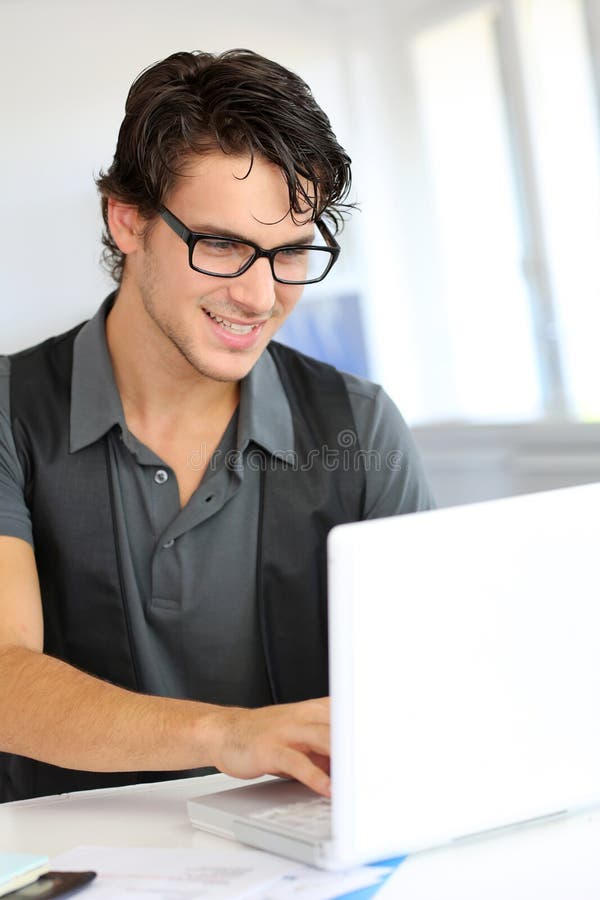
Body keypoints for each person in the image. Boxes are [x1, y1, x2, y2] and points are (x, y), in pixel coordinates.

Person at [0, 49, 433, 803]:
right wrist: (227, 735)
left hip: (298, 865)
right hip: (66, 863)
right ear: (128, 221)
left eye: (292, 251)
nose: (262, 296)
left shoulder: (358, 427)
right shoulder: (9, 412)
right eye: (224, 245)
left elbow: (427, 682)